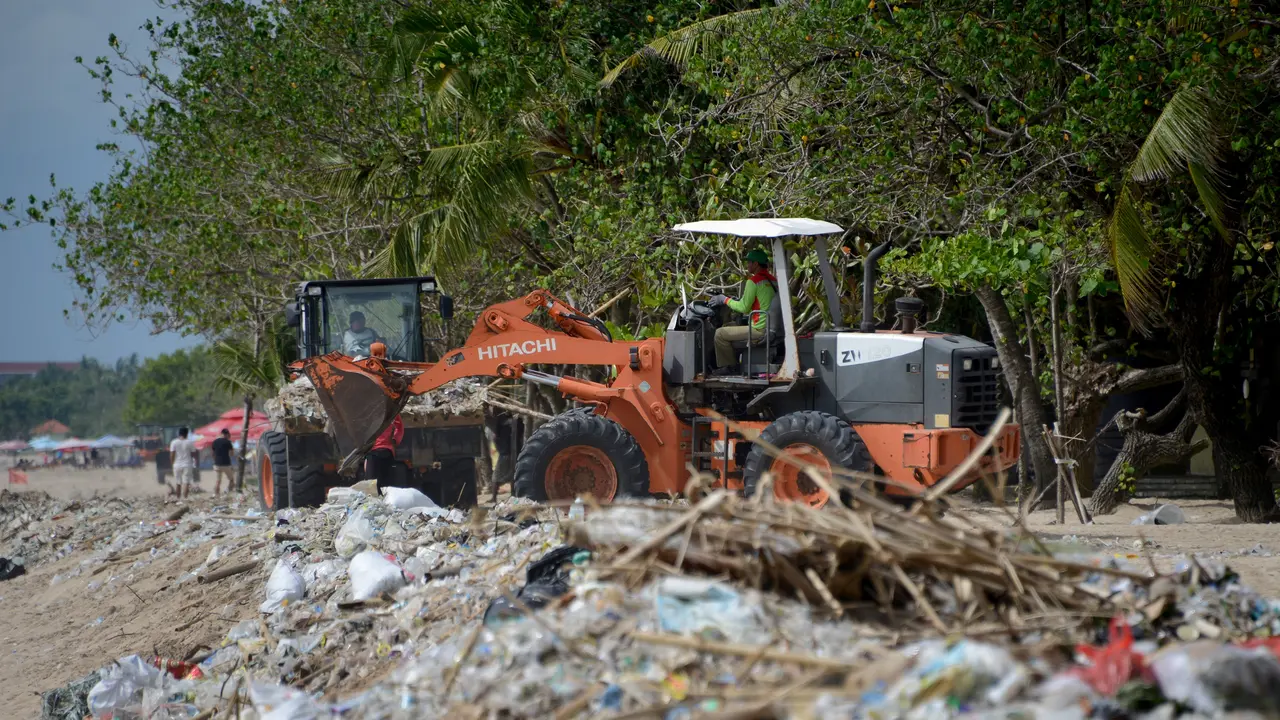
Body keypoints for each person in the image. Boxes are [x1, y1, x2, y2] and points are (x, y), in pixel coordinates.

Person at [710, 248, 778, 374]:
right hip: (772, 328)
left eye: (749, 262)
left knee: (719, 334)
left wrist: (724, 300)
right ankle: (737, 363)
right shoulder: (773, 281)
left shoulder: (753, 282)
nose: (748, 265)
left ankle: (730, 368)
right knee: (728, 326)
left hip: (759, 329)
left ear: (756, 264)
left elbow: (743, 308)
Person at [365, 414, 403, 491]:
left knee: (376, 485)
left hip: (383, 451)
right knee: (377, 485)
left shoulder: (387, 408)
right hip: (376, 451)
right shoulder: (389, 408)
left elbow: (399, 427)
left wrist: (395, 439)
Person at [169, 427, 198, 500]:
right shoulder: (190, 442)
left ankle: (178, 498)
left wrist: (172, 463)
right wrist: (195, 460)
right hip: (187, 464)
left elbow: (172, 454)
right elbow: (194, 454)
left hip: (177, 465)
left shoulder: (174, 442)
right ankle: (185, 498)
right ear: (186, 434)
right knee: (186, 482)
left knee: (178, 482)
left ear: (179, 433)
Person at [211, 428, 235, 496]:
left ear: (221, 433)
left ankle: (216, 494)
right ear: (227, 434)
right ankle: (227, 492)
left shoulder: (215, 442)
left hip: (217, 464)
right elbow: (232, 454)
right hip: (226, 464)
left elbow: (212, 454)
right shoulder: (228, 442)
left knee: (218, 481)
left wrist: (215, 460)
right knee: (231, 480)